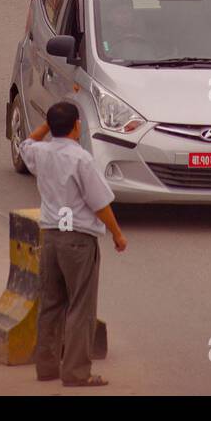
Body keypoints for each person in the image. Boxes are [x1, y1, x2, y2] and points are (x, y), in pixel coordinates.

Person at [19, 102, 126, 388]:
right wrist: (117, 233)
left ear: (52, 126)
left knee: (51, 303)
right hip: (78, 239)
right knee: (81, 307)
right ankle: (77, 372)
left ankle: (47, 367)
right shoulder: (81, 159)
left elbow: (27, 143)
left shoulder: (39, 152)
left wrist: (47, 126)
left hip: (51, 236)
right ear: (78, 126)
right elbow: (99, 203)